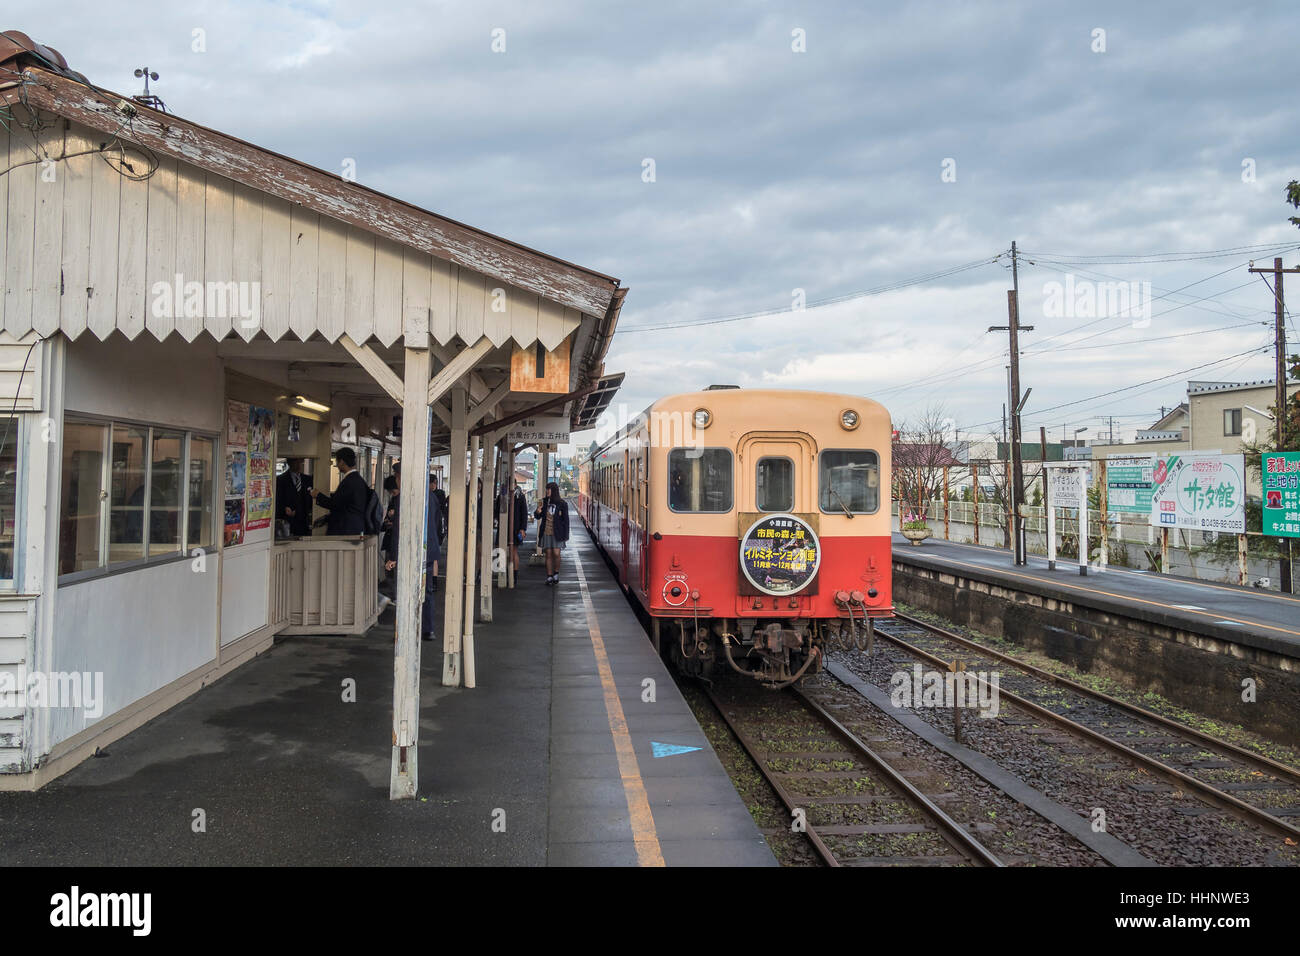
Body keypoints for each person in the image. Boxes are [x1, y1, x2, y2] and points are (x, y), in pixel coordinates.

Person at [385, 474, 444, 641]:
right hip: (429, 550)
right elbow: (438, 523)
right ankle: (428, 629)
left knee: (404, 589)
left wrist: (394, 556)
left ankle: (404, 630)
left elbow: (399, 529)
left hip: (410, 551)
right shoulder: (431, 496)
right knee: (427, 591)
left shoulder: (405, 497)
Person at [310, 448, 369, 535]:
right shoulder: (359, 480)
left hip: (345, 529)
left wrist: (318, 495)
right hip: (356, 528)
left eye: (337, 462)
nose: (337, 465)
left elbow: (335, 504)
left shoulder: (348, 482)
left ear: (342, 462)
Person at [533, 482, 569, 585]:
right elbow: (537, 516)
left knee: (556, 553)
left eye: (549, 489)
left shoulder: (562, 504)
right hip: (546, 531)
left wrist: (566, 535)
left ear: (554, 491)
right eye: (547, 489)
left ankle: (556, 573)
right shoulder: (543, 502)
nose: (547, 491)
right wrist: (537, 512)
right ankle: (549, 576)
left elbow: (566, 520)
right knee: (548, 553)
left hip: (557, 532)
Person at [276, 458, 313, 537]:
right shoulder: (280, 480)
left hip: (304, 522)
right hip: (287, 522)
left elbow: (310, 500)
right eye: (296, 462)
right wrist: (284, 508)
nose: (299, 464)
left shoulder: (308, 479)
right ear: (289, 463)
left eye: (301, 462)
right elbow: (277, 499)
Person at [511, 480, 529, 572]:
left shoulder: (520, 497)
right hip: (504, 527)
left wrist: (523, 529)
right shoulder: (502, 496)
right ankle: (506, 573)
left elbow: (524, 513)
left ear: (515, 484)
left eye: (512, 483)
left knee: (514, 551)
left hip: (516, 528)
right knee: (503, 550)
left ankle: (514, 574)